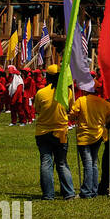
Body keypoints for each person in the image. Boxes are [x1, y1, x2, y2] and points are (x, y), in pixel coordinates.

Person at [32, 65, 75, 199]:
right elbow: (70, 108)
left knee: (46, 162)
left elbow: (37, 110)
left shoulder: (41, 93)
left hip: (43, 132)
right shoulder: (67, 92)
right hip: (60, 132)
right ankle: (69, 193)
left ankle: (48, 194)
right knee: (62, 163)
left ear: (48, 77)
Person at [70, 87, 110, 198]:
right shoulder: (102, 102)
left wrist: (73, 115)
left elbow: (72, 114)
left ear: (86, 90)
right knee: (93, 163)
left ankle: (86, 191)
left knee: (88, 164)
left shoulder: (81, 100)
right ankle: (93, 190)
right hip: (98, 134)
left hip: (84, 136)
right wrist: (107, 120)